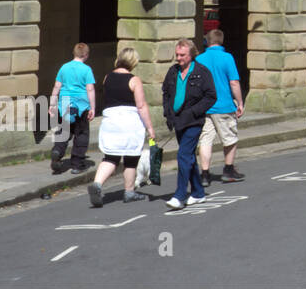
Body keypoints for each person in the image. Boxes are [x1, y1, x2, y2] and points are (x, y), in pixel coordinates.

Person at [88, 47, 156, 207]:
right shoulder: (134, 80)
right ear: (133, 62)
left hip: (110, 121)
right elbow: (141, 106)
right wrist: (150, 128)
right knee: (131, 158)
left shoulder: (107, 78)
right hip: (129, 121)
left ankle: (97, 184)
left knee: (110, 157)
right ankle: (129, 192)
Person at [162, 38, 217, 210]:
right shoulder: (173, 71)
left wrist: (194, 112)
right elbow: (166, 92)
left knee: (183, 155)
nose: (179, 58)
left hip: (193, 120)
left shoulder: (202, 72)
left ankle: (179, 195)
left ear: (192, 54)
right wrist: (167, 112)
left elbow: (211, 96)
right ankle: (199, 192)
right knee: (189, 158)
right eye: (177, 54)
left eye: (182, 55)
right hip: (177, 121)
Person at [196, 30, 244, 186]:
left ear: (208, 42)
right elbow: (234, 83)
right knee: (230, 139)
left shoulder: (199, 59)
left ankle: (204, 174)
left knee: (205, 140)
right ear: (221, 41)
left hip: (205, 107)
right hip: (224, 105)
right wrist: (240, 102)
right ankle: (228, 170)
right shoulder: (227, 57)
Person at [49, 42, 96, 174]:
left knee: (64, 131)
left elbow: (57, 86)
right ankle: (77, 164)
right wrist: (92, 107)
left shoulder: (64, 67)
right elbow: (90, 89)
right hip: (81, 105)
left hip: (65, 104)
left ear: (74, 53)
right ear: (86, 55)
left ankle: (57, 151)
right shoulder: (87, 70)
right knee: (81, 133)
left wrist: (52, 104)